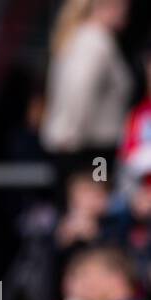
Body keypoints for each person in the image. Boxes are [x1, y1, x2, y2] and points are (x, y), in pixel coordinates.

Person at [41, 0, 131, 177]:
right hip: (92, 150)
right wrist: (71, 135)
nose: (126, 13)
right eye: (122, 6)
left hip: (78, 146)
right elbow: (79, 87)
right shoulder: (95, 40)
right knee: (96, 197)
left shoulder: (78, 36)